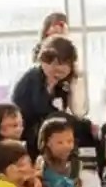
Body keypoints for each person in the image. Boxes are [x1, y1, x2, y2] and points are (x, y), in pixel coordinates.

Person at [11, 35, 100, 168]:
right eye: (52, 63)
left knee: (88, 129)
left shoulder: (61, 84)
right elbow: (44, 112)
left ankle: (90, 168)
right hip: (31, 131)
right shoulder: (33, 79)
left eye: (64, 64)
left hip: (49, 128)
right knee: (76, 126)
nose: (57, 68)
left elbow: (76, 109)